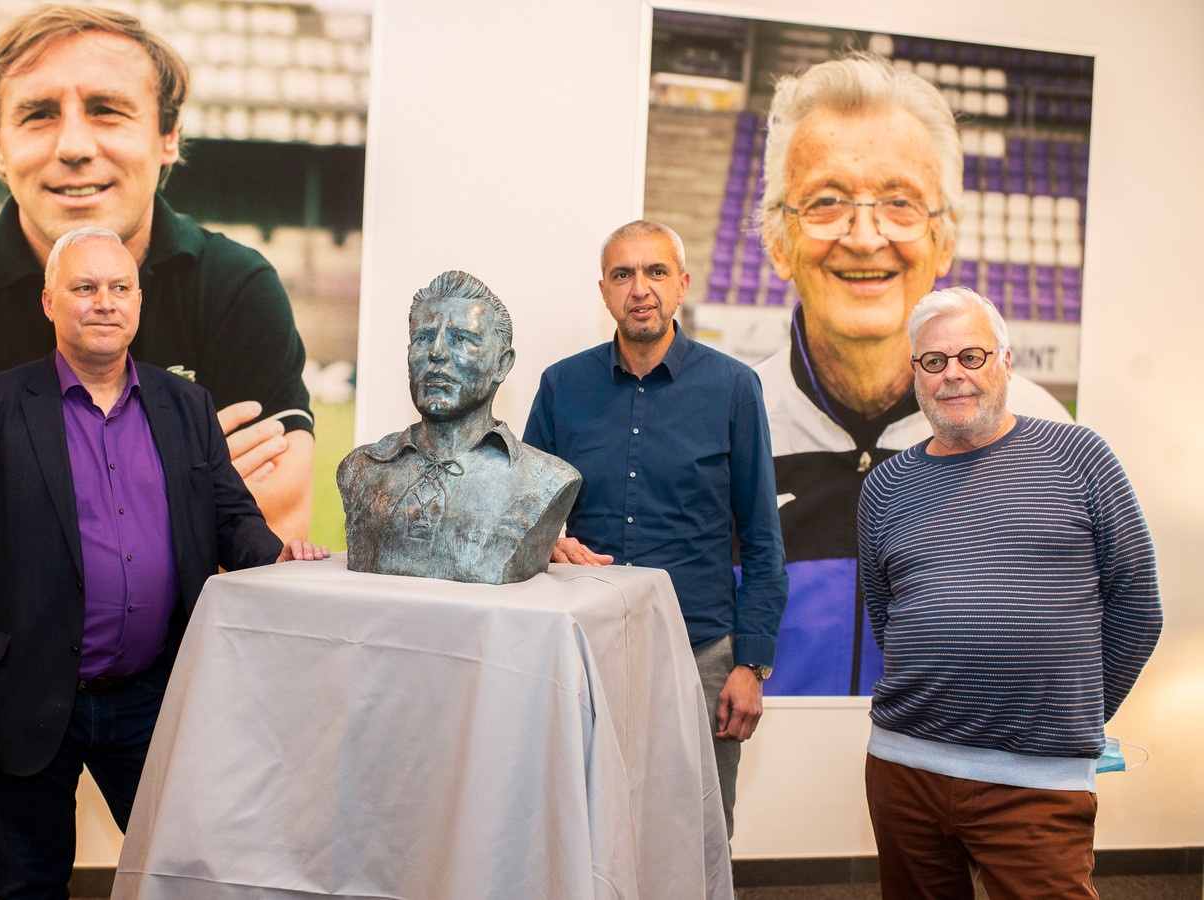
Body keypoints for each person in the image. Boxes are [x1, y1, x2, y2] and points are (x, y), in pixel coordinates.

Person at [0, 5, 316, 688]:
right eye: (37, 114)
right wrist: (168, 489)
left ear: (167, 136)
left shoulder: (235, 290)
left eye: (107, 110)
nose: (72, 143)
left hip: (184, 700)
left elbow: (265, 545)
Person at [0, 227, 328, 899]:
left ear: (139, 301)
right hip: (26, 699)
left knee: (180, 870)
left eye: (118, 288)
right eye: (84, 288)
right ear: (49, 302)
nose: (103, 302)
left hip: (150, 698)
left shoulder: (185, 405)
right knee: (32, 882)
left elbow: (231, 519)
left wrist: (278, 554)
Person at [753, 53, 1072, 696]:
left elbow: (1077, 644)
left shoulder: (1043, 436)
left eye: (900, 203)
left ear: (944, 240)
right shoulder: (725, 427)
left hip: (953, 791)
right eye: (825, 201)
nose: (865, 237)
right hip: (758, 791)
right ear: (777, 241)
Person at [857, 286, 1161, 899]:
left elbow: (1137, 608)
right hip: (904, 768)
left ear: (1005, 361)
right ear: (914, 373)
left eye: (972, 356)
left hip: (1038, 781)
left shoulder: (1080, 457)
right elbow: (887, 617)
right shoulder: (887, 484)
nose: (954, 377)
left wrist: (1071, 716)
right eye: (934, 362)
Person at [523, 220, 788, 839]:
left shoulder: (733, 388)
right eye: (623, 274)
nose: (639, 288)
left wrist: (752, 665)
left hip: (700, 655)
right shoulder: (562, 386)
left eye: (655, 271)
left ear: (682, 284)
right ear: (604, 290)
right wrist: (548, 543)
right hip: (588, 649)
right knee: (586, 828)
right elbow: (522, 516)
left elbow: (763, 537)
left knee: (695, 834)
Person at [339, 270, 579, 584]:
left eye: (462, 340)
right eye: (423, 338)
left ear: (501, 364)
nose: (436, 353)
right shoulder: (361, 469)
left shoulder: (547, 480)